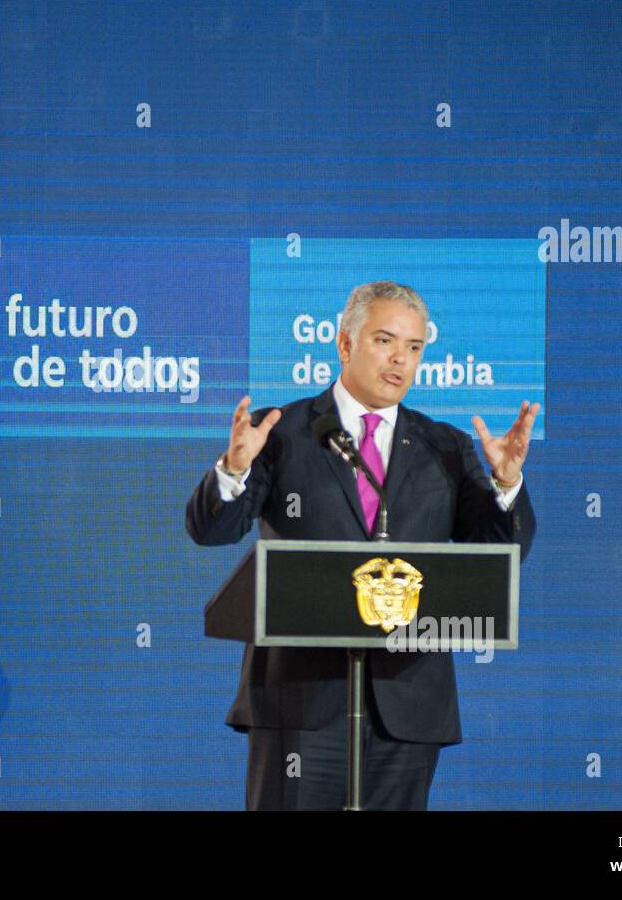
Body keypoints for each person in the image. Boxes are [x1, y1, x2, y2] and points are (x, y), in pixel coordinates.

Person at [185, 280, 539, 810]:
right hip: (301, 704)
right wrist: (234, 470)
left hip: (407, 707)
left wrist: (507, 487)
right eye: (385, 341)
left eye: (415, 348)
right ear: (345, 344)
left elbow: (497, 555)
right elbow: (211, 529)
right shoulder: (282, 433)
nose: (401, 359)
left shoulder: (446, 447)